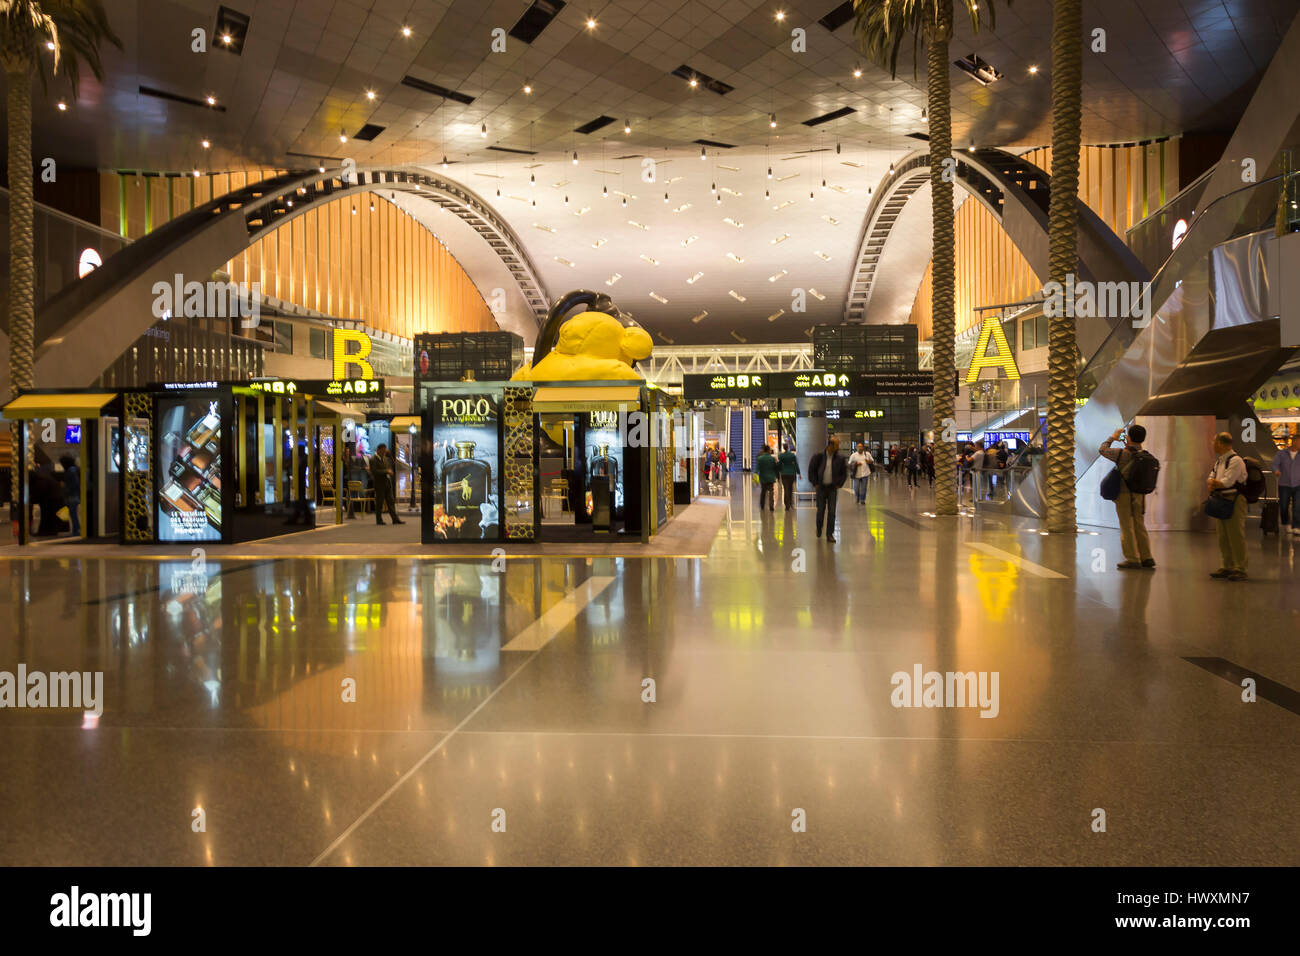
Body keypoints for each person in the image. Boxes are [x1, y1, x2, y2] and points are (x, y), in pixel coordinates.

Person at [1099, 424, 1155, 570]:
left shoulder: (1121, 454)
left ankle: (1132, 558)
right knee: (1139, 525)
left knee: (1126, 526)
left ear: (1129, 437)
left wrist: (1113, 437)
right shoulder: (1145, 455)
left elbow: (1102, 449)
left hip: (1124, 495)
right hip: (1140, 496)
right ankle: (1147, 557)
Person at [1207, 432, 1248, 581]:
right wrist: (1213, 481)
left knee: (1235, 534)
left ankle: (1240, 568)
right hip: (1222, 500)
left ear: (1221, 444)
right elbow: (1211, 477)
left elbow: (1227, 482)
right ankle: (1227, 566)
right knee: (1223, 536)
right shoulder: (1220, 461)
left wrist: (1214, 483)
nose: (1212, 444)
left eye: (1214, 442)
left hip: (1234, 500)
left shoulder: (1236, 461)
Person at [808, 438, 848, 542]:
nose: (839, 446)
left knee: (832, 512)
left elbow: (844, 473)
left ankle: (829, 534)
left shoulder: (840, 458)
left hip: (832, 488)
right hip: (821, 488)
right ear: (830, 445)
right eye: (837, 444)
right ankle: (819, 528)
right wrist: (815, 483)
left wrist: (839, 484)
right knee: (820, 510)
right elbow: (811, 470)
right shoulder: (818, 456)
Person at [1271, 433, 1300, 536]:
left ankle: (1296, 526)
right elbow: (1274, 464)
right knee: (1283, 505)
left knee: (1297, 506)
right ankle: (1285, 522)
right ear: (1293, 441)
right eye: (1297, 441)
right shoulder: (1282, 454)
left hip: (1298, 485)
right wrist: (1276, 471)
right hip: (1284, 484)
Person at [370, 444, 404, 525]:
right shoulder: (373, 459)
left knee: (391, 502)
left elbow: (388, 467)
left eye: (385, 451)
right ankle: (379, 520)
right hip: (379, 484)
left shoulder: (385, 459)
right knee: (379, 503)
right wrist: (386, 471)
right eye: (383, 451)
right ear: (378, 450)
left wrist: (389, 471)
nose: (384, 452)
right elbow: (374, 471)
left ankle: (395, 519)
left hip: (387, 483)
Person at [58, 455, 81, 537]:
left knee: (73, 513)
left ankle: (76, 530)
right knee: (73, 513)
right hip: (74, 495)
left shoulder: (70, 471)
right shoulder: (74, 470)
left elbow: (74, 484)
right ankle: (76, 529)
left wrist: (66, 488)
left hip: (72, 495)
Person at [755, 444, 778, 512]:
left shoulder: (760, 459)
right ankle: (771, 506)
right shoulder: (772, 458)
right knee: (771, 491)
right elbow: (775, 468)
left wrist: (755, 477)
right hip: (771, 477)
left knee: (763, 491)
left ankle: (762, 506)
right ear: (768, 450)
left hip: (763, 478)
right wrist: (777, 476)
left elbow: (757, 469)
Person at [778, 443, 800, 510]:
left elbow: (779, 464)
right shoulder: (792, 455)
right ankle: (791, 503)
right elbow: (796, 464)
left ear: (783, 447)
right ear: (788, 447)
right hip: (792, 474)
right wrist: (799, 473)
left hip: (784, 474)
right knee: (791, 488)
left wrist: (779, 471)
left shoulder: (781, 456)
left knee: (786, 489)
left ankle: (787, 504)